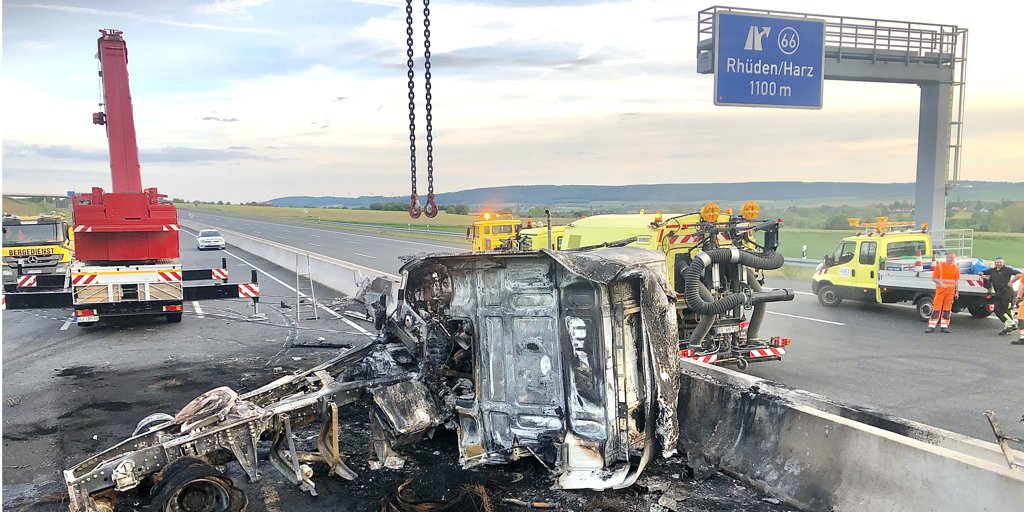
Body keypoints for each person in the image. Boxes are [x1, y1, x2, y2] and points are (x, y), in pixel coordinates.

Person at [980, 257, 1022, 335]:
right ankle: (1010, 324)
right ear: (995, 263)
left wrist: (1011, 282)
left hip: (1007, 293)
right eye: (997, 262)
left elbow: (1019, 274)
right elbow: (982, 272)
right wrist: (982, 275)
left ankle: (1009, 325)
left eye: (1000, 262)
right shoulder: (992, 270)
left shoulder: (1007, 270)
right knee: (997, 310)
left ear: (1003, 263)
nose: (999, 264)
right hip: (998, 293)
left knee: (1006, 310)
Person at [927, 252, 960, 334]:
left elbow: (956, 281)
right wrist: (940, 283)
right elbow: (934, 278)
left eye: (953, 257)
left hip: (950, 292)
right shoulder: (940, 266)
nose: (952, 259)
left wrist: (957, 292)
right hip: (941, 291)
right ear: (946, 258)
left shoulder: (956, 268)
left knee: (947, 310)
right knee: (936, 309)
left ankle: (944, 326)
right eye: (950, 257)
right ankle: (931, 326)